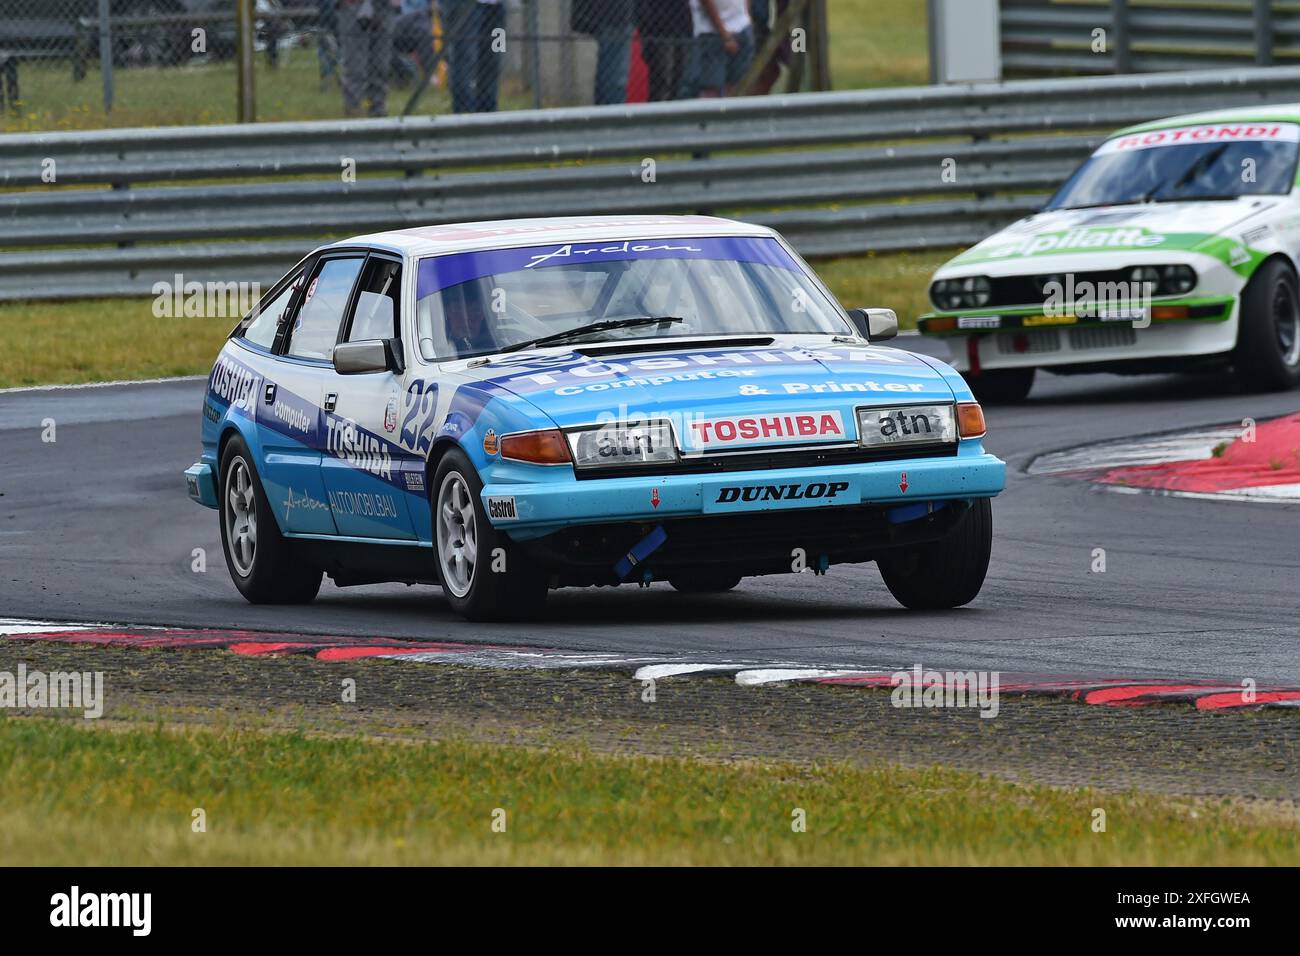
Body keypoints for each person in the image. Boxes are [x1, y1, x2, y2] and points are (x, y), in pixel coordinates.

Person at [437, 0, 505, 113]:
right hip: (464, 6)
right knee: (465, 59)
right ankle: (464, 116)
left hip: (496, 7)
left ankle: (489, 114)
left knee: (493, 60)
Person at [571, 0, 635, 106]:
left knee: (606, 71)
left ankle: (603, 113)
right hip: (616, 16)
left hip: (605, 15)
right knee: (615, 76)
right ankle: (612, 115)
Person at [686, 0, 754, 98]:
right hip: (710, 33)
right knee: (711, 89)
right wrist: (724, 35)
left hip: (742, 27)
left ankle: (733, 113)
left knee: (738, 86)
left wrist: (746, 17)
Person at [338, 0, 395, 116]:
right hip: (353, 5)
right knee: (354, 62)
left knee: (381, 62)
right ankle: (353, 107)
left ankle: (378, 106)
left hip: (383, 6)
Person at [636, 0, 691, 102]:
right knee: (663, 79)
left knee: (681, 80)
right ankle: (657, 114)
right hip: (659, 30)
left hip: (682, 28)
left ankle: (676, 112)